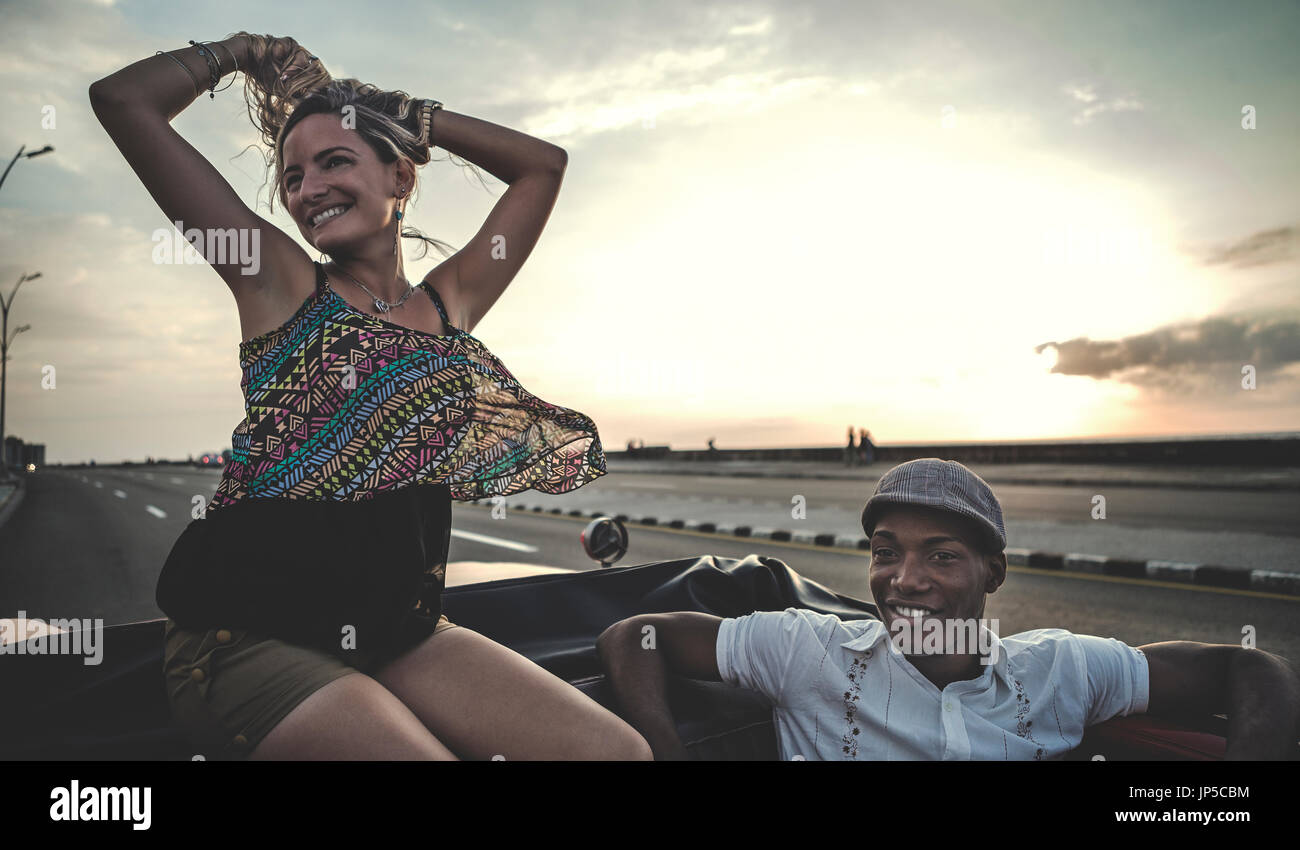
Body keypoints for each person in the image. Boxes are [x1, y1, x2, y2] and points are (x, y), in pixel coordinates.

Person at [92, 33, 650, 761]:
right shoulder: (277, 281)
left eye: (334, 161)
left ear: (400, 180)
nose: (308, 188)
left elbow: (543, 167)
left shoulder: (451, 305)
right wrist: (240, 51)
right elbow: (123, 101)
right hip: (247, 638)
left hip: (395, 632)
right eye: (291, 177)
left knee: (617, 755)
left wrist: (409, 118)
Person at [597, 458, 1300, 759]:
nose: (905, 580)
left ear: (992, 573)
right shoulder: (806, 650)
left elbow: (1249, 667)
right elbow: (639, 636)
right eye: (884, 552)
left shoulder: (1060, 669)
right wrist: (661, 750)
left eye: (941, 555)